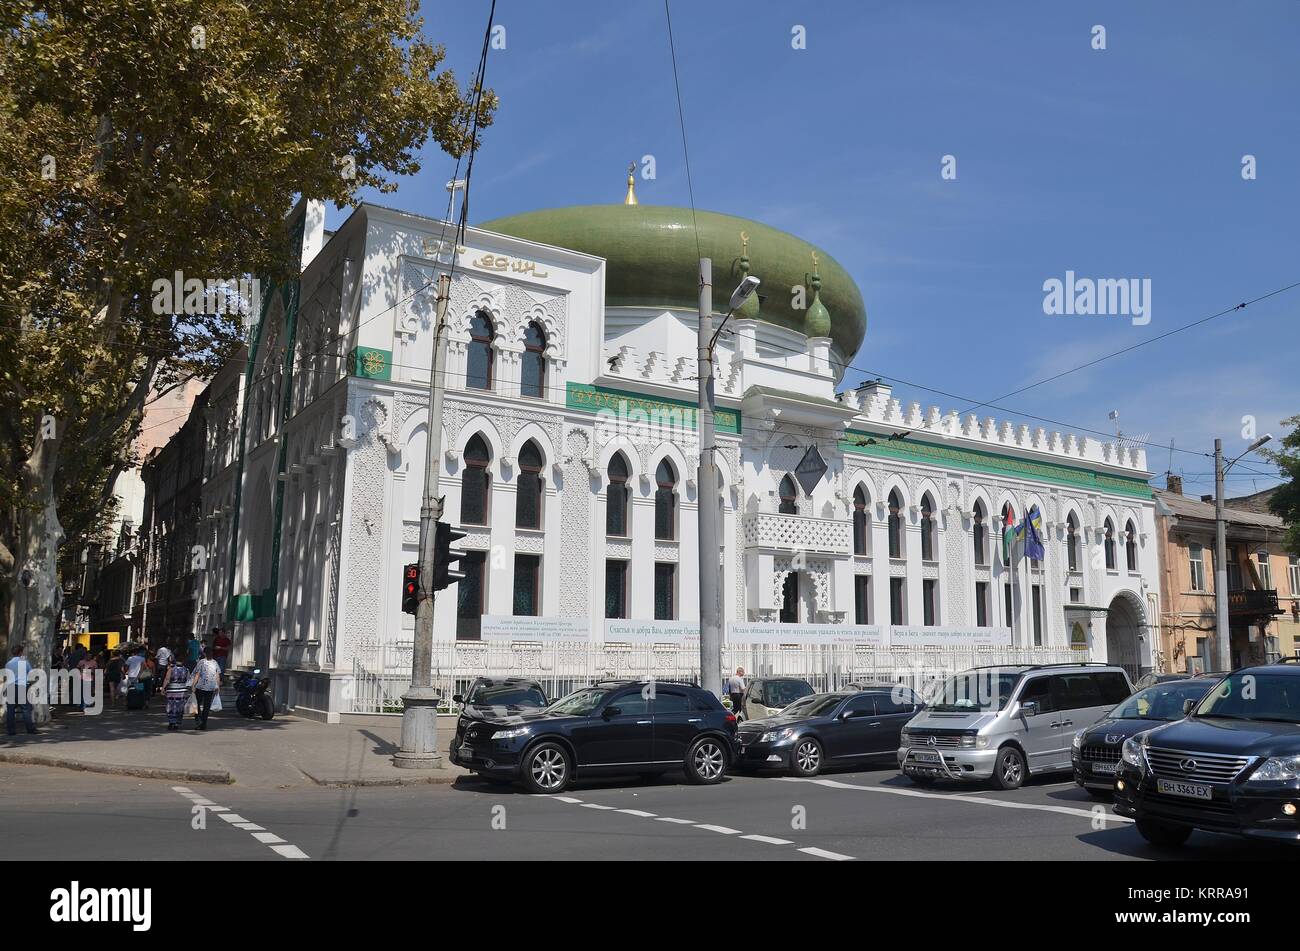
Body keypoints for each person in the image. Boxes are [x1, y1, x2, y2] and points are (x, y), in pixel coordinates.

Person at [4, 645, 38, 736]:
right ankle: (30, 729)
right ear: (20, 653)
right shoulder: (25, 662)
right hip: (22, 687)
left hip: (11, 687)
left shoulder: (8, 664)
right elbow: (31, 674)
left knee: (10, 709)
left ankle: (11, 730)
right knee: (26, 709)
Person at [189, 647, 221, 731]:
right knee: (202, 706)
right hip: (202, 687)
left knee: (201, 705)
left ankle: (201, 722)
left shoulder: (210, 662)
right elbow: (198, 674)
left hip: (206, 687)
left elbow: (217, 675)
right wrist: (193, 685)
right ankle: (202, 722)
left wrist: (217, 686)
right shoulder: (206, 662)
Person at [161, 653, 190, 731]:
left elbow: (167, 679)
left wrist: (163, 688)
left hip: (172, 691)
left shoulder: (171, 669)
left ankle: (171, 723)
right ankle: (177, 723)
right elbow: (188, 681)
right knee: (180, 707)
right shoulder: (186, 670)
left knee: (171, 706)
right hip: (182, 691)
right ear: (183, 661)